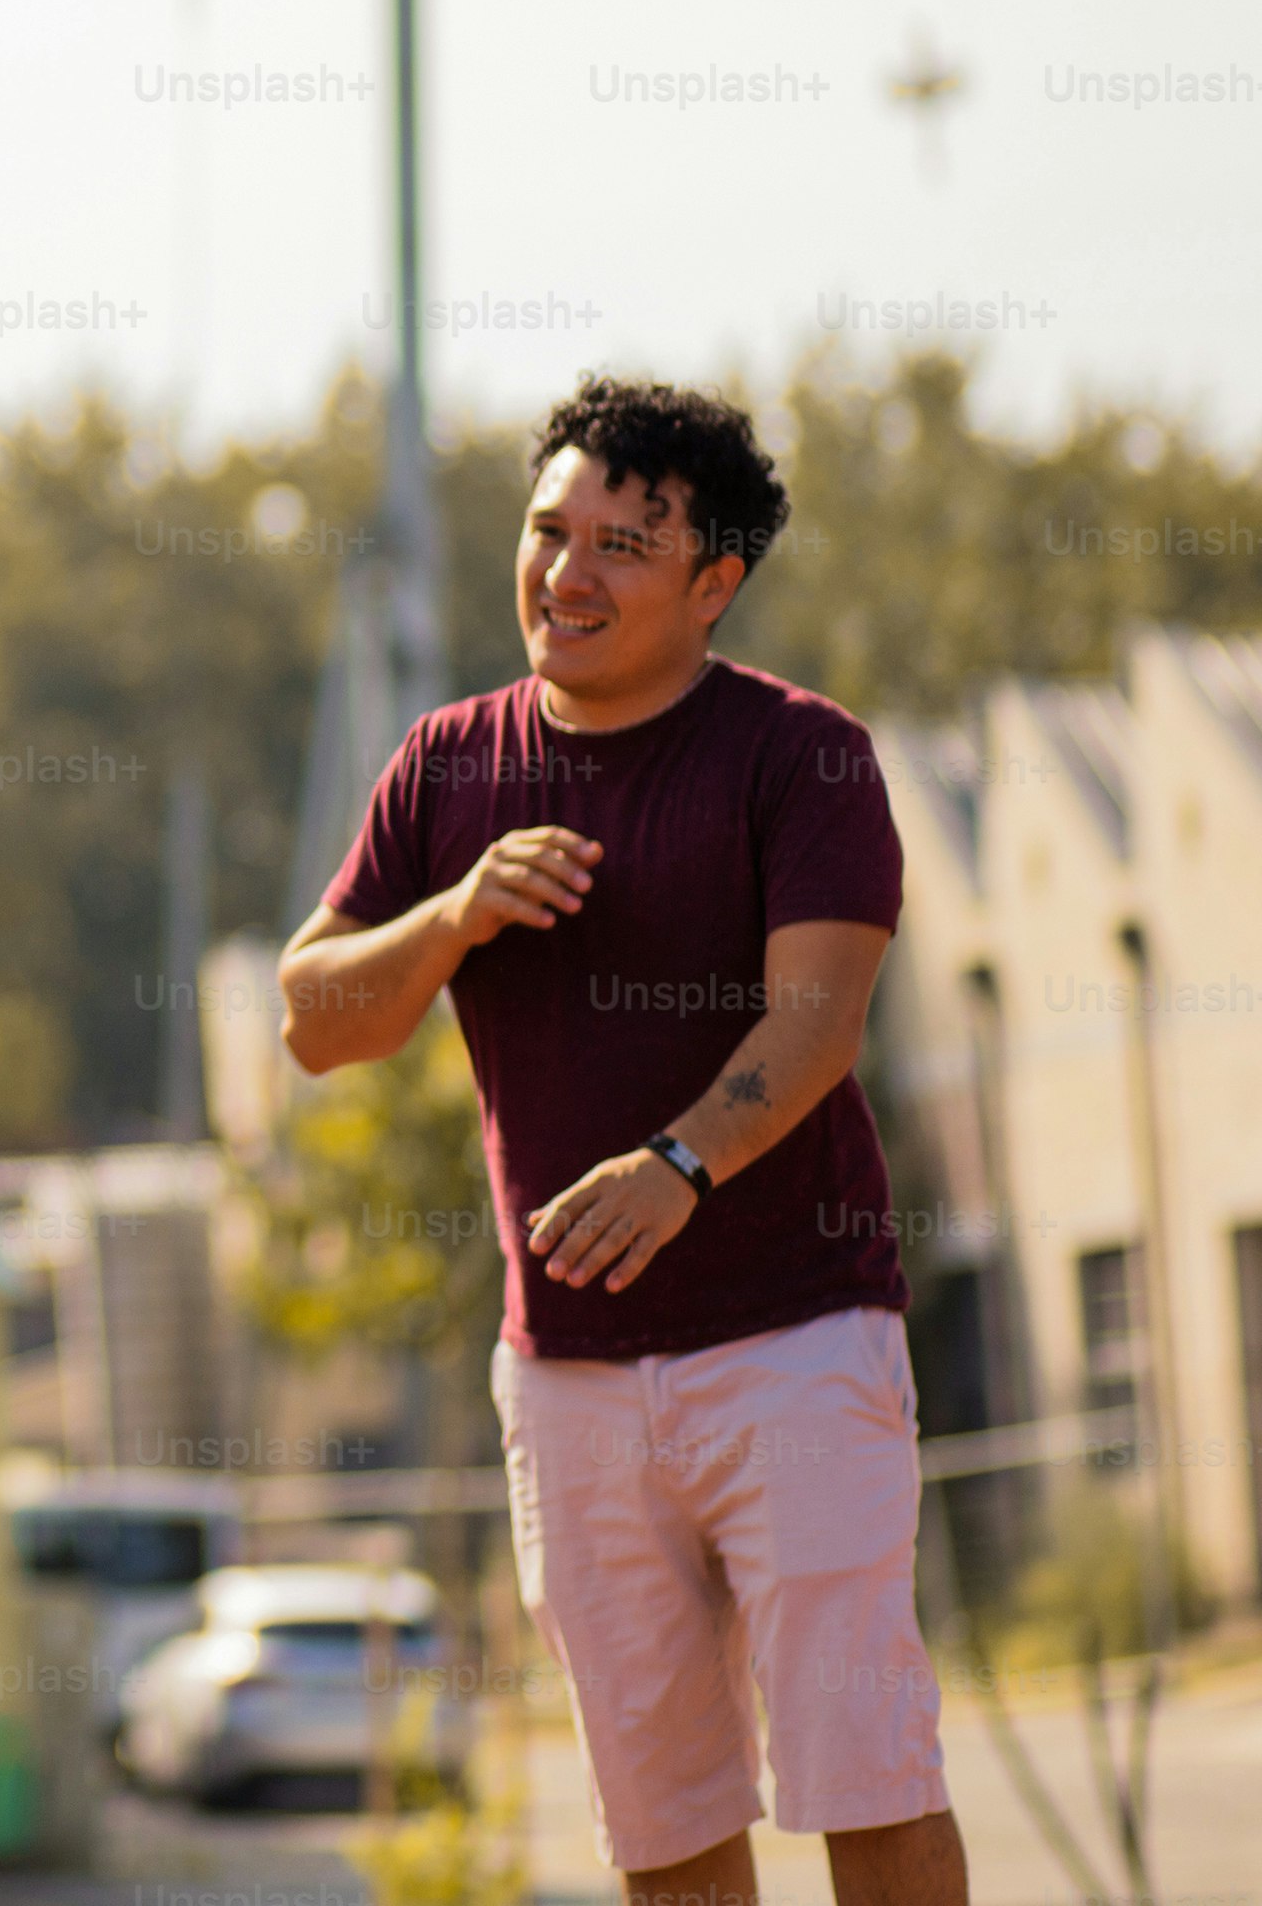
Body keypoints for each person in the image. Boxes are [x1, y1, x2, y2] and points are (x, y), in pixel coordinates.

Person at [277, 376, 964, 1906]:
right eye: (548, 530)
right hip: (567, 1378)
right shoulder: (448, 766)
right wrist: (454, 914)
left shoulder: (804, 755)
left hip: (798, 1344)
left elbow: (818, 1020)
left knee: (868, 1780)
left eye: (621, 546)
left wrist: (678, 1166)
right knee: (659, 1824)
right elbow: (317, 1020)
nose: (565, 573)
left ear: (714, 584)